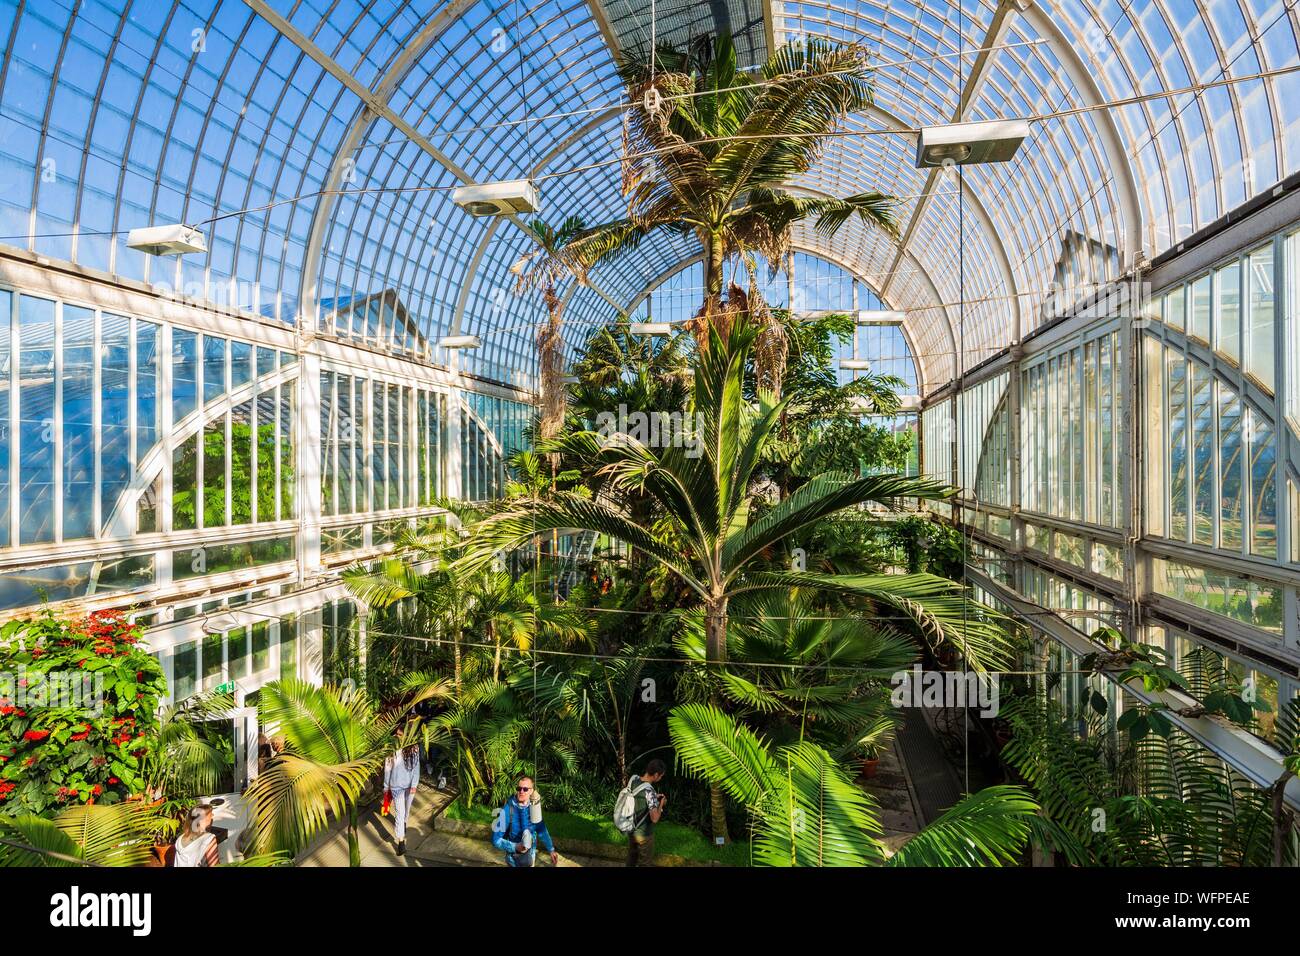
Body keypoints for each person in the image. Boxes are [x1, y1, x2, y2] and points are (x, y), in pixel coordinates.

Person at [492, 775, 558, 867]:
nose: (521, 791)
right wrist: (515, 847)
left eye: (525, 789)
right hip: (514, 860)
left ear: (531, 791)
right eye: (519, 788)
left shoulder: (534, 808)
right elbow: (496, 840)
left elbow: (542, 831)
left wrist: (551, 850)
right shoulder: (507, 810)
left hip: (530, 859)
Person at [625, 759, 667, 867]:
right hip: (644, 834)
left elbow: (638, 798)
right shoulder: (649, 791)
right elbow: (654, 818)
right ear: (656, 775)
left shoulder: (634, 780)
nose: (661, 778)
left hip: (631, 829)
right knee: (645, 863)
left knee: (631, 859)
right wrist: (661, 803)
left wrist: (654, 798)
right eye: (661, 776)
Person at [383, 741, 422, 856]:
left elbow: (417, 767)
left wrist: (414, 784)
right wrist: (386, 788)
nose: (399, 736)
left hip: (410, 786)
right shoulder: (391, 748)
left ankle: (403, 825)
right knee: (400, 813)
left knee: (406, 811)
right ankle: (401, 842)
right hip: (396, 787)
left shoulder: (414, 747)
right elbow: (387, 769)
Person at [171, 803, 220, 867]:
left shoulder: (180, 839)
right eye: (210, 814)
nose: (213, 815)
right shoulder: (209, 838)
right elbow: (214, 865)